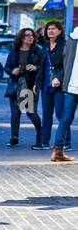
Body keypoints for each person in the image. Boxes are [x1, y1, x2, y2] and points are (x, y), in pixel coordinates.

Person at [4, 27, 43, 149]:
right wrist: (12, 71)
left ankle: (40, 136)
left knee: (31, 113)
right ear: (21, 37)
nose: (30, 37)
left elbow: (44, 68)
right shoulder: (14, 51)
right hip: (16, 85)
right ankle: (14, 137)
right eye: (27, 35)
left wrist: (36, 68)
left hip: (30, 86)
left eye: (32, 35)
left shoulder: (37, 51)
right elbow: (6, 67)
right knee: (15, 113)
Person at [38, 20, 66, 149]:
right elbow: (41, 66)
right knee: (46, 114)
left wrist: (59, 78)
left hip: (59, 85)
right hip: (45, 85)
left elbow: (67, 66)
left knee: (61, 114)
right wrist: (36, 83)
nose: (50, 31)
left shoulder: (64, 45)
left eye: (54, 28)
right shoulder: (44, 45)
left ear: (60, 31)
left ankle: (65, 142)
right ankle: (44, 141)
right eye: (48, 29)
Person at [51, 27, 77, 162]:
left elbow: (65, 61)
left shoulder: (71, 39)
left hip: (72, 84)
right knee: (65, 117)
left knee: (65, 118)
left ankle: (57, 150)